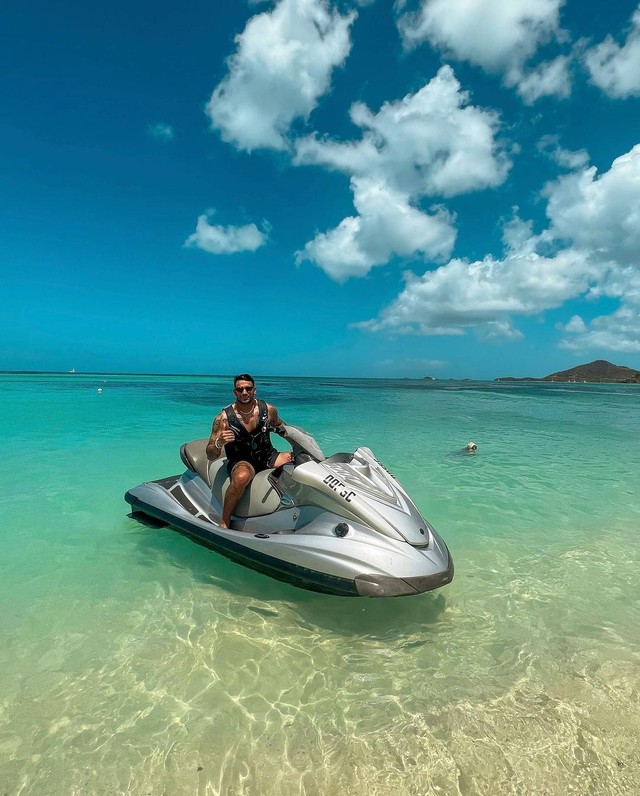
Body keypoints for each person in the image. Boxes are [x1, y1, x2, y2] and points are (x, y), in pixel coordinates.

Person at [206, 373, 294, 528]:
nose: (244, 392)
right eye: (240, 389)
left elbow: (283, 427)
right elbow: (210, 454)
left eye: (248, 388)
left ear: (254, 390)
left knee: (302, 460)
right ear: (235, 392)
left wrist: (298, 442)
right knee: (241, 477)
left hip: (268, 455)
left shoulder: (268, 410)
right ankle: (225, 521)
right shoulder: (223, 418)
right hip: (242, 460)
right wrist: (220, 443)